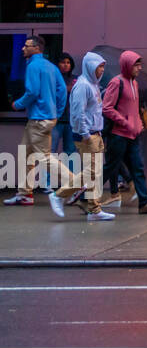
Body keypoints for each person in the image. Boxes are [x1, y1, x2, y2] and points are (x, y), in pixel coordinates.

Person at [49, 52, 114, 221]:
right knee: (90, 172)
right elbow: (78, 113)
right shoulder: (83, 86)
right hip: (87, 135)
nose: (101, 70)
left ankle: (94, 209)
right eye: (99, 66)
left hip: (95, 134)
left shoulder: (92, 85)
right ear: (90, 67)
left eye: (102, 67)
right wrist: (85, 134)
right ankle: (59, 195)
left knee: (95, 174)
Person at [4, 36, 67, 206]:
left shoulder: (33, 65)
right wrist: (56, 112)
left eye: (27, 46)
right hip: (44, 118)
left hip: (38, 120)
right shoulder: (51, 67)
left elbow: (32, 92)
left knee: (44, 158)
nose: (23, 48)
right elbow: (62, 92)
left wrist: (17, 104)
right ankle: (24, 194)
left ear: (37, 48)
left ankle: (77, 183)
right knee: (26, 155)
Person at [101, 51, 147, 214]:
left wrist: (137, 123)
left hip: (132, 135)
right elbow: (107, 108)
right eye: (136, 65)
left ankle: (144, 202)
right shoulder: (117, 82)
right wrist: (126, 122)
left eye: (139, 65)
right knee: (109, 168)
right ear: (127, 65)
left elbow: (133, 109)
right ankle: (85, 198)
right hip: (118, 135)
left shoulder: (134, 83)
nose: (139, 68)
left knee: (138, 168)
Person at [51, 52, 78, 171]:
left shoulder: (75, 79)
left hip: (71, 121)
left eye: (68, 63)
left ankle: (70, 184)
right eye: (63, 62)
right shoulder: (53, 78)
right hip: (55, 120)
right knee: (51, 152)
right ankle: (47, 184)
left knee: (70, 152)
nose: (66, 65)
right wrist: (65, 89)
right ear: (57, 64)